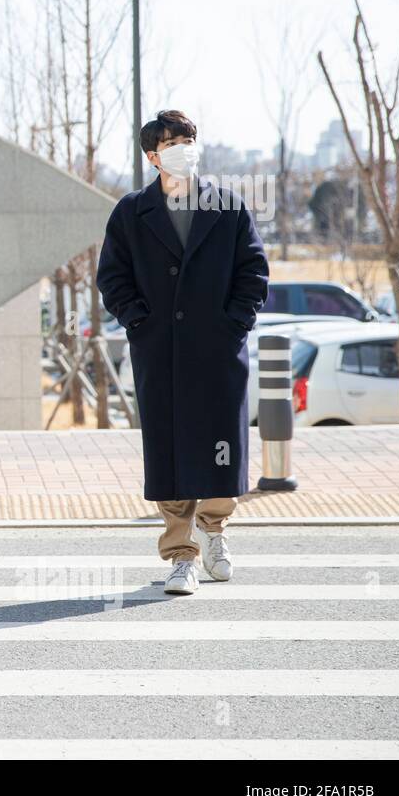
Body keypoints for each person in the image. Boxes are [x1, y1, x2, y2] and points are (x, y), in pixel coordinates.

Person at [96, 109, 269, 595]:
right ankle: (180, 555)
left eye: (188, 138)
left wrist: (234, 323)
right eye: (171, 142)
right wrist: (140, 322)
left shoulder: (229, 207)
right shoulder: (131, 212)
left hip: (217, 351)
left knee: (220, 446)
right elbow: (112, 277)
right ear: (152, 156)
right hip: (161, 352)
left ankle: (214, 532)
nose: (182, 147)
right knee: (169, 452)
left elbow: (253, 272)